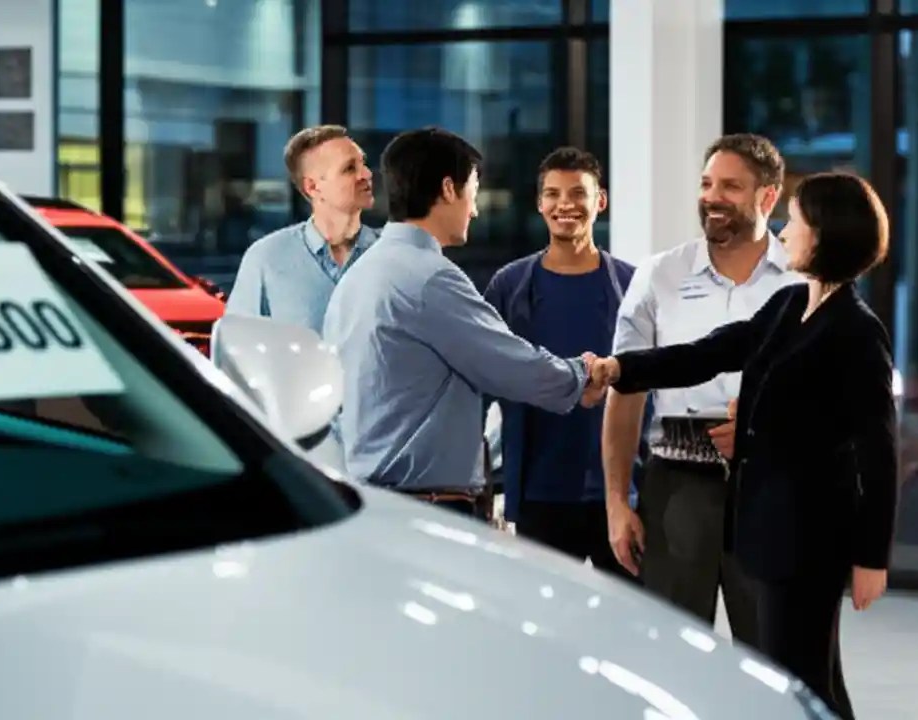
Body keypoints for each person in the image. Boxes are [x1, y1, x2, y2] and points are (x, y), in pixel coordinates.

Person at [592, 172, 897, 719]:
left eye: (796, 221)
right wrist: (621, 369)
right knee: (801, 681)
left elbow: (879, 454)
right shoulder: (788, 305)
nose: (784, 231)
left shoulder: (856, 330)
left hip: (811, 538)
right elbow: (707, 353)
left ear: (826, 233)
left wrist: (872, 558)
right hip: (766, 527)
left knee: (800, 683)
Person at [322, 127, 607, 519]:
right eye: (473, 191)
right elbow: (507, 363)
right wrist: (580, 377)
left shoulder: (358, 275)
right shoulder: (430, 277)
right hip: (425, 507)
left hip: (374, 500)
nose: (474, 210)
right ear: (448, 189)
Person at [603, 133, 805, 646]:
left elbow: (830, 399)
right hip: (675, 488)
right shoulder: (658, 275)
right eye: (706, 184)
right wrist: (617, 502)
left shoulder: (803, 282)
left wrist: (767, 430)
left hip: (771, 490)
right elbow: (626, 392)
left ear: (768, 196)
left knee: (773, 653)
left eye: (730, 187)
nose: (712, 197)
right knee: (670, 652)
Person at [482, 147, 648, 577]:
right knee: (544, 616)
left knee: (626, 615)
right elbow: (484, 381)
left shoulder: (631, 285)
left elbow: (654, 384)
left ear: (600, 201)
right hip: (538, 495)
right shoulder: (510, 286)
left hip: (618, 496)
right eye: (553, 194)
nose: (565, 205)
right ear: (539, 203)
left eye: (578, 193)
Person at [225, 125, 378, 334]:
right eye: (349, 168)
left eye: (363, 163)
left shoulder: (391, 254)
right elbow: (238, 344)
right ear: (312, 187)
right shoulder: (266, 259)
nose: (366, 174)